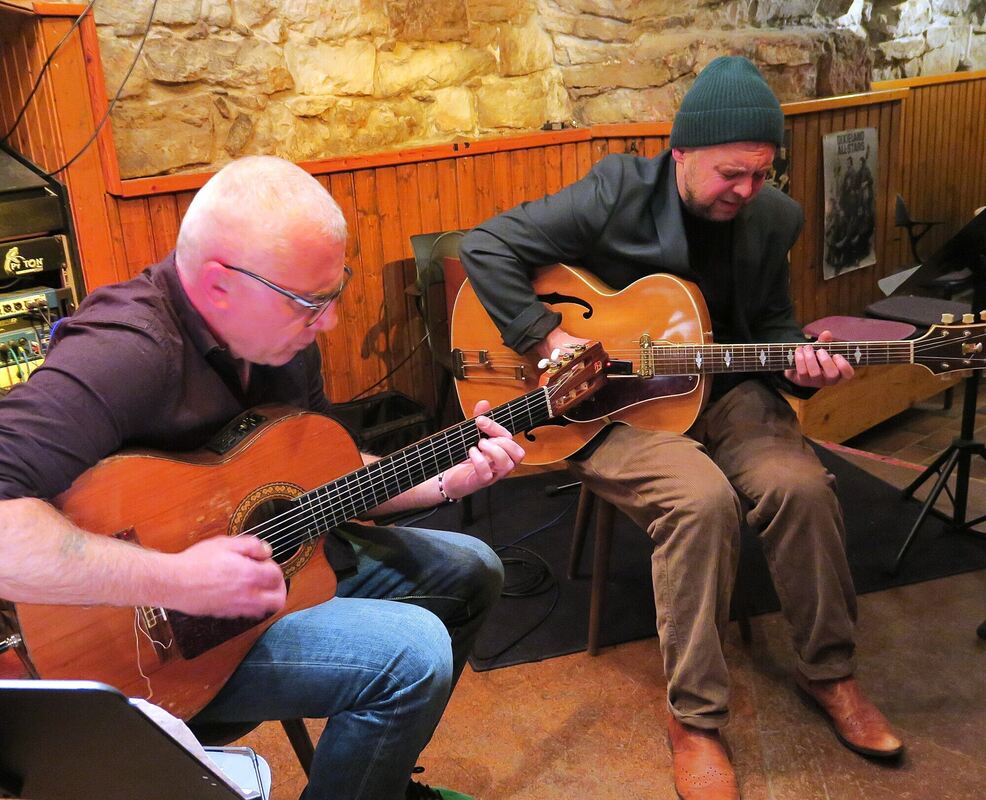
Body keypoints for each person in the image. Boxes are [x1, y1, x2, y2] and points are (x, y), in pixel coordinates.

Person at [0, 156, 526, 800]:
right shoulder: (125, 351)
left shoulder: (283, 343)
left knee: (472, 569)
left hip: (263, 590)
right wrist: (176, 579)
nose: (328, 323)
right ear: (219, 284)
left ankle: (374, 782)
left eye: (334, 294)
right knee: (410, 654)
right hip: (144, 650)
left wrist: (445, 482)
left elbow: (323, 480)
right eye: (309, 303)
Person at [459, 56, 902, 799]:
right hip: (611, 403)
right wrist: (548, 338)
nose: (747, 190)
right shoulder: (615, 192)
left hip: (724, 390)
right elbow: (485, 246)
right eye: (731, 173)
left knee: (801, 487)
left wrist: (805, 366)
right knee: (700, 501)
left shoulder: (775, 218)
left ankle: (829, 672)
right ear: (682, 154)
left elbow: (774, 327)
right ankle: (694, 719)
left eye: (761, 173)